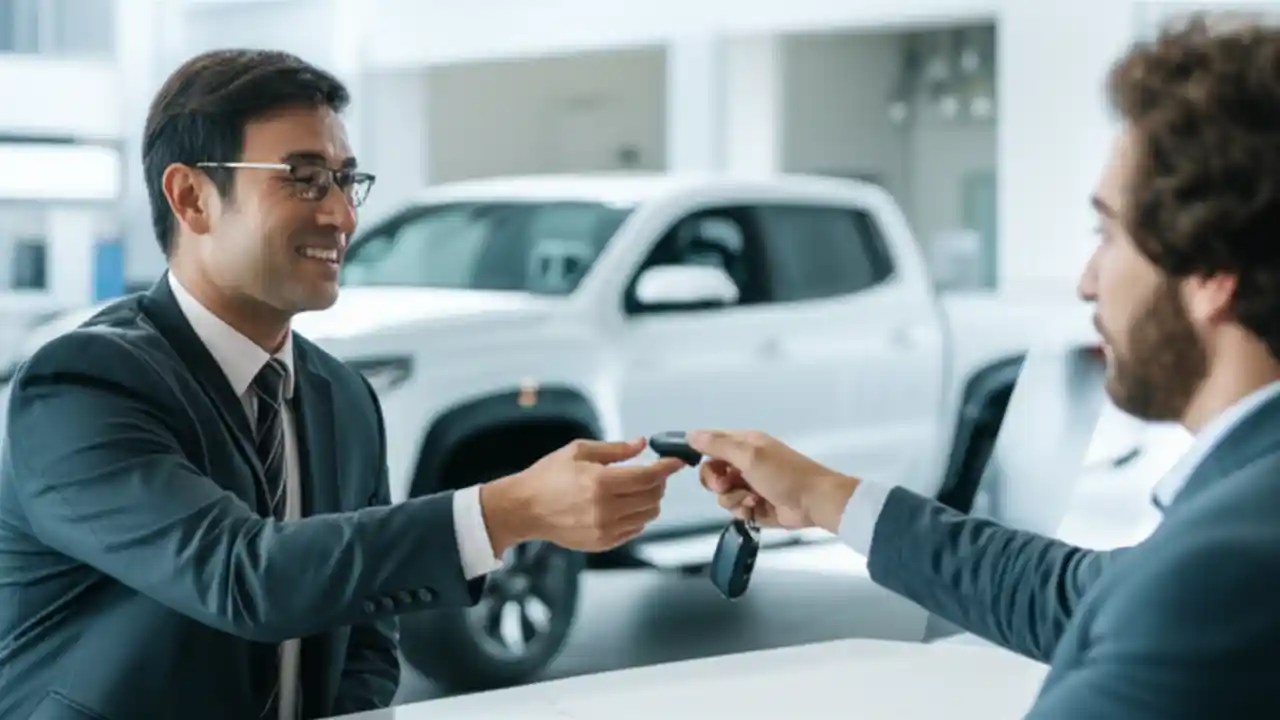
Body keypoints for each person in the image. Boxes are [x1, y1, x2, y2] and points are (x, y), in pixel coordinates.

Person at [0, 49, 683, 720]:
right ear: (191, 197)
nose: (342, 216)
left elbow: (366, 644)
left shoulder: (343, 396)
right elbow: (245, 576)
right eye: (302, 178)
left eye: (345, 180)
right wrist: (504, 510)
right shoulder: (82, 386)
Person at [691, 16, 1280, 718]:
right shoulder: (1243, 512)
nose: (1087, 281)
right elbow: (1083, 595)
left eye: (1109, 234)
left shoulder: (1223, 570)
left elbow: (1147, 605)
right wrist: (825, 495)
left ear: (1212, 274)